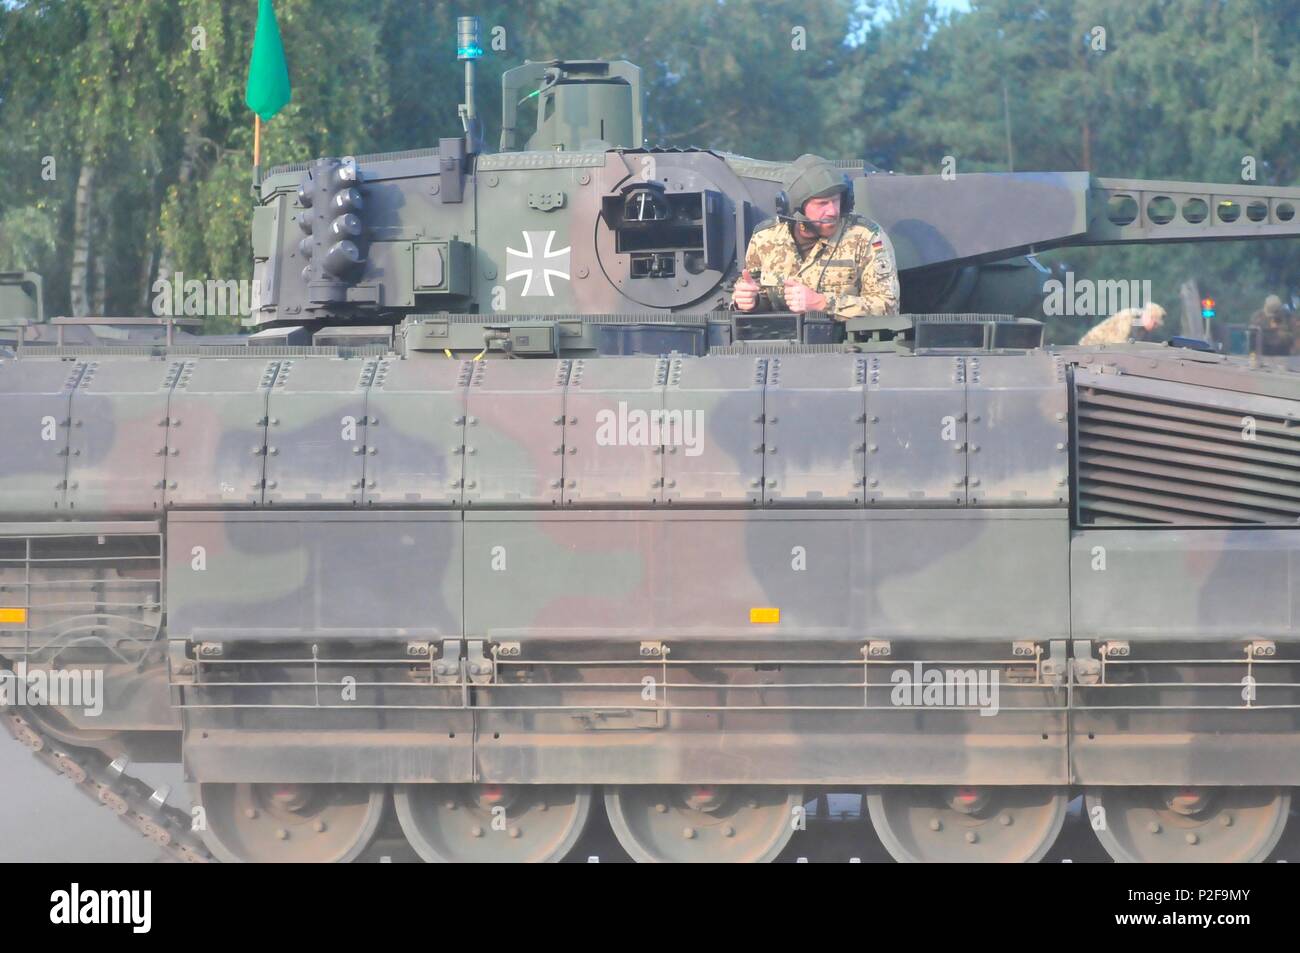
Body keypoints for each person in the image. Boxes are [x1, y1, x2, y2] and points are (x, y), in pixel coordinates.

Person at [731, 154, 899, 320]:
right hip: (781, 342)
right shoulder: (764, 238)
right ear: (796, 207)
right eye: (822, 204)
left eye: (836, 200)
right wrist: (751, 301)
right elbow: (756, 293)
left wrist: (822, 303)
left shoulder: (865, 236)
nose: (833, 211)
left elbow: (887, 306)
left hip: (846, 344)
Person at [1079, 301, 1165, 346]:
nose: (1155, 327)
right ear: (1147, 316)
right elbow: (1119, 344)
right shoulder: (1128, 317)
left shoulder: (1142, 328)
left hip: (1104, 349)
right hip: (1090, 345)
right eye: (1155, 323)